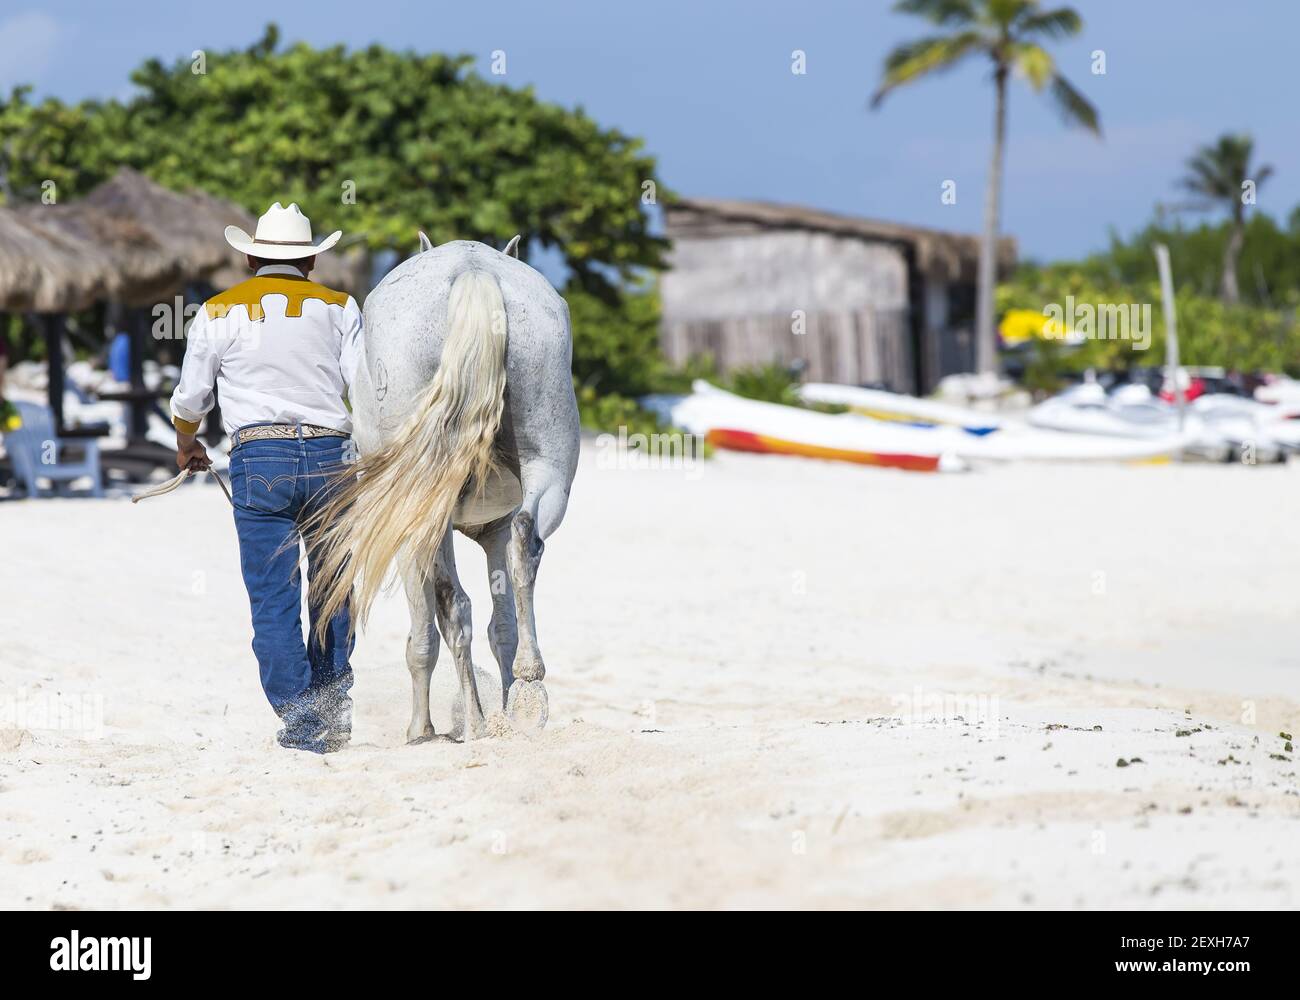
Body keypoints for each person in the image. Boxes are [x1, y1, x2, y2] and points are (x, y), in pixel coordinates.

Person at [170, 202, 362, 753]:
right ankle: (333, 702)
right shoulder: (339, 306)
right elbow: (366, 386)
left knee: (272, 598)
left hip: (260, 463)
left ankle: (304, 722)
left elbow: (191, 399)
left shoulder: (218, 309)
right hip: (332, 458)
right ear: (311, 261)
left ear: (251, 256)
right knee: (334, 592)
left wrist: (188, 445)